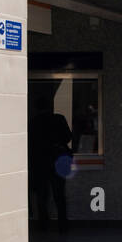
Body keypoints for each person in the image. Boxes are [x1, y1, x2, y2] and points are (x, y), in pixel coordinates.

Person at [28, 96, 73, 233]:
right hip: (58, 161)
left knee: (42, 196)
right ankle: (63, 226)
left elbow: (30, 144)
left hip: (40, 163)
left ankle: (43, 226)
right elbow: (68, 137)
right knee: (59, 195)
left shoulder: (34, 122)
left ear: (36, 108)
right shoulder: (59, 119)